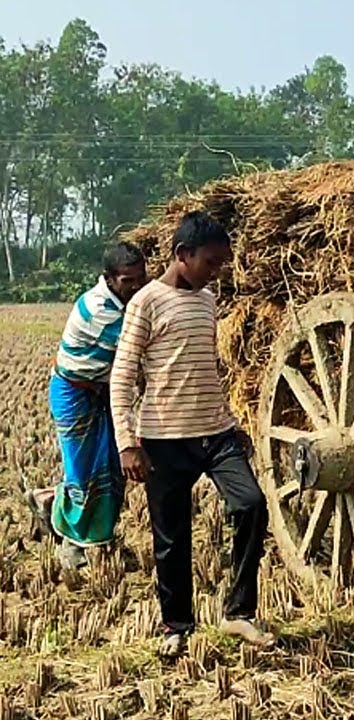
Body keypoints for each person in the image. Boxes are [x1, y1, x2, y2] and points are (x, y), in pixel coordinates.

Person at [109, 210, 274, 659]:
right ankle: (176, 625)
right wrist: (128, 442)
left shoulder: (206, 300)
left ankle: (239, 611)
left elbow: (205, 369)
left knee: (252, 504)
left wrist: (232, 422)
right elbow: (122, 376)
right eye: (211, 262)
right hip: (164, 438)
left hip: (215, 432)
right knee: (171, 536)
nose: (216, 271)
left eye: (220, 263)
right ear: (183, 255)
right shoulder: (146, 303)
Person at [24, 242, 148, 570]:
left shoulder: (127, 302)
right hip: (74, 393)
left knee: (109, 470)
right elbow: (140, 348)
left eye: (140, 278)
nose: (136, 286)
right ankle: (71, 545)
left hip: (103, 392)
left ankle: (48, 500)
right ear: (109, 279)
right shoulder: (99, 309)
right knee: (82, 474)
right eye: (127, 280)